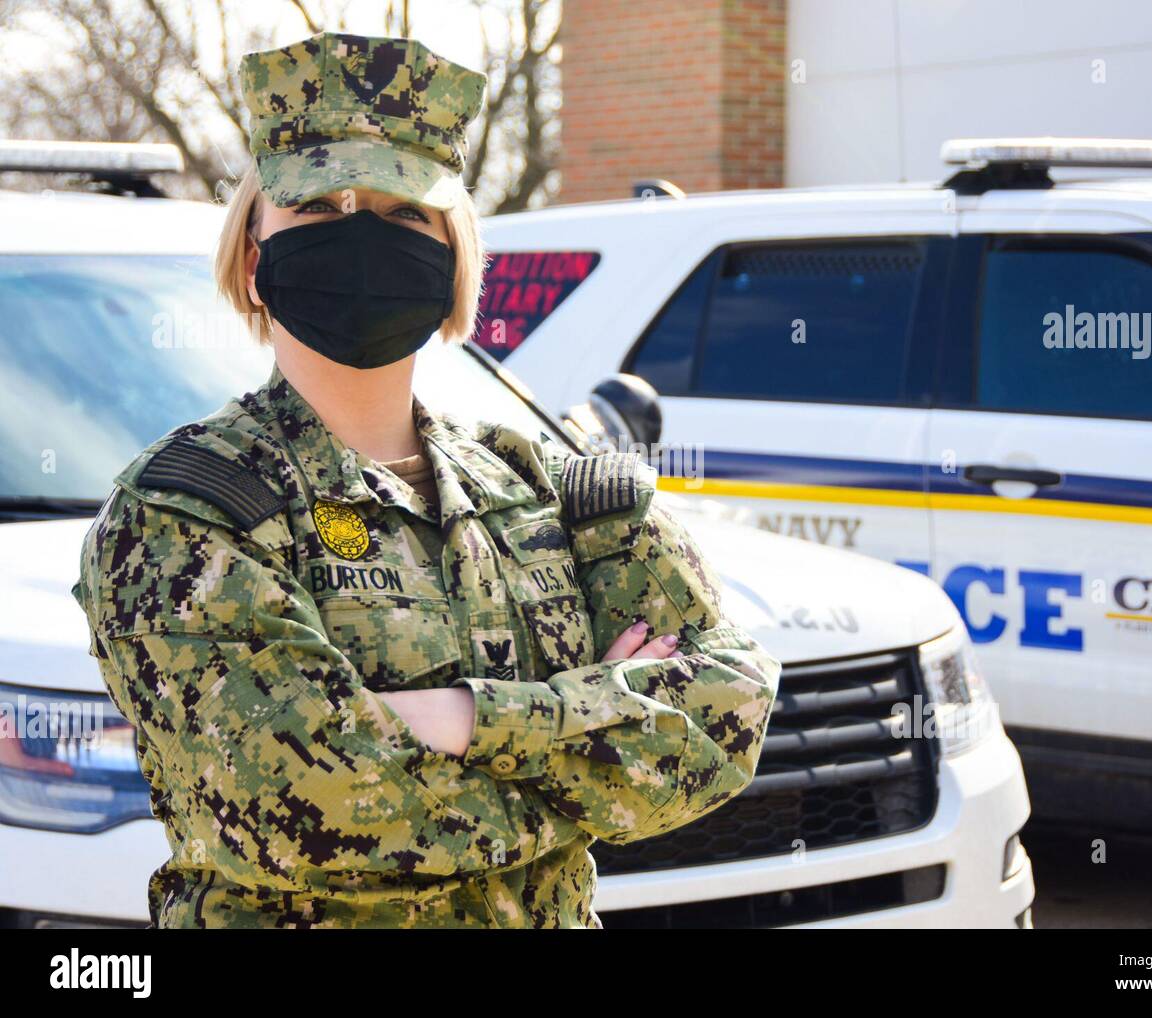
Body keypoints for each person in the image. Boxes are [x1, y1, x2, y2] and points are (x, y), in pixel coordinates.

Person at [70, 31, 779, 929]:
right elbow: (305, 811)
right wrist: (593, 756)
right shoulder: (184, 515)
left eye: (404, 213)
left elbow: (727, 718)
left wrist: (459, 719)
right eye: (320, 207)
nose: (361, 237)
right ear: (255, 261)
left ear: (453, 257)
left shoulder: (559, 492)